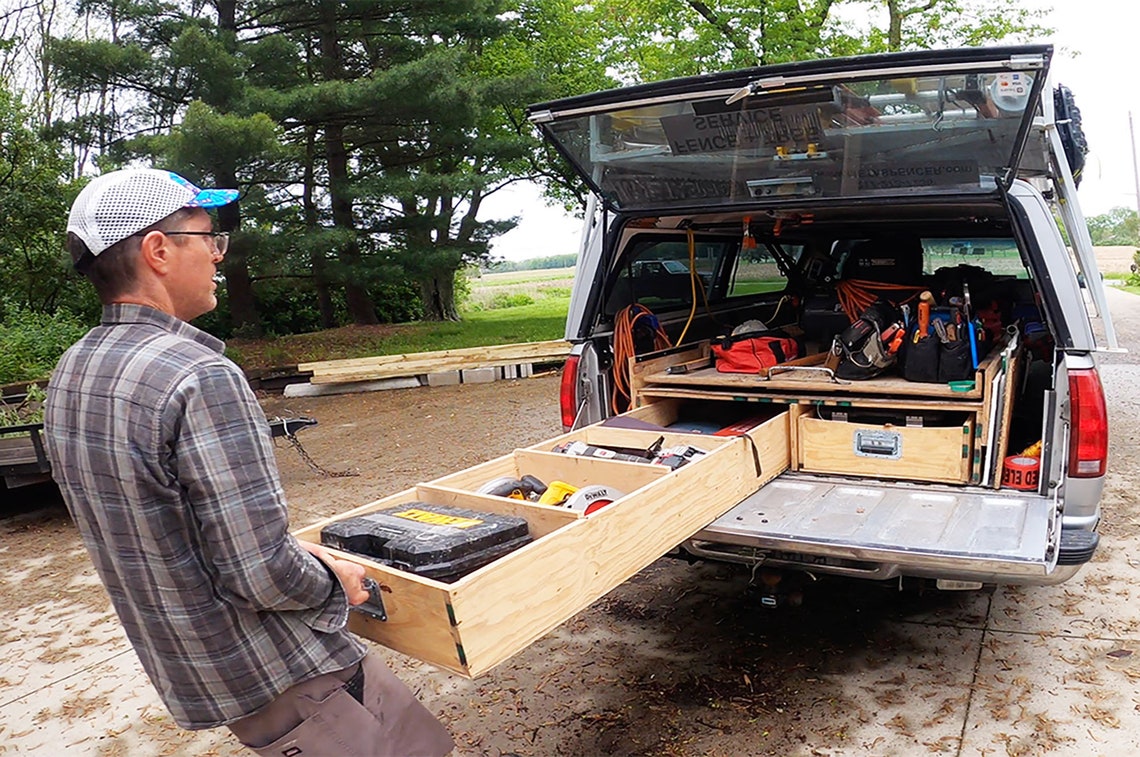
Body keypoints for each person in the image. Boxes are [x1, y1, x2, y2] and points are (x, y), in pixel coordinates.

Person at [43, 168, 455, 757]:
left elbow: (169, 524)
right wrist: (333, 578)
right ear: (158, 250)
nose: (219, 255)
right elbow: (259, 573)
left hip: (205, 666)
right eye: (208, 237)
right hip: (281, 665)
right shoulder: (198, 374)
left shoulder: (76, 370)